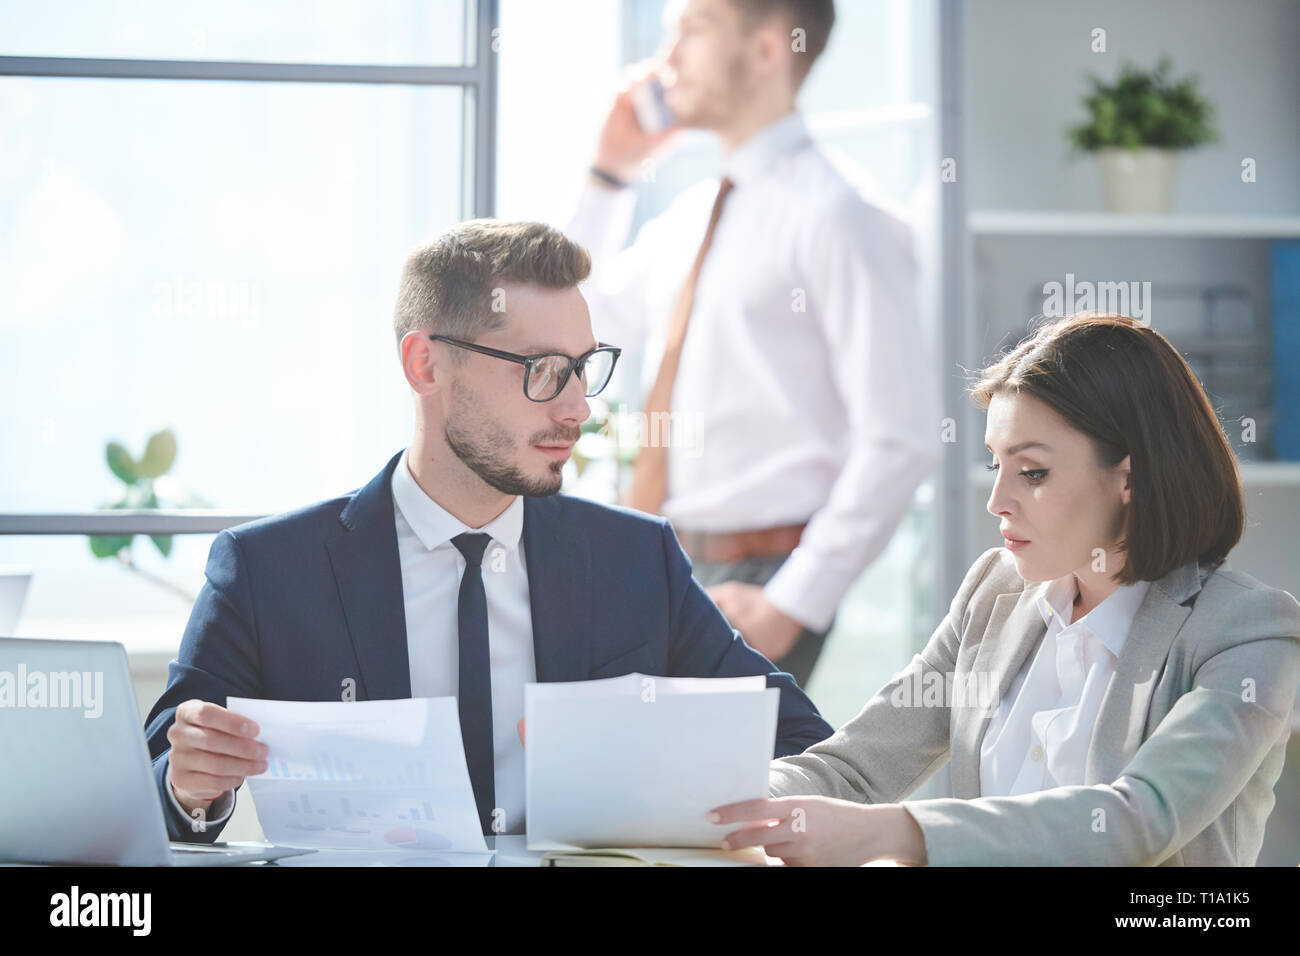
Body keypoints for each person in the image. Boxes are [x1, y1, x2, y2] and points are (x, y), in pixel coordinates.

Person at [143, 220, 834, 842]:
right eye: (542, 371)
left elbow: (803, 745)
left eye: (583, 369)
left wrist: (676, 781)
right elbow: (155, 782)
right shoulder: (270, 570)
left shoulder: (633, 558)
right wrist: (191, 786)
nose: (577, 409)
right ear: (426, 364)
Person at [708, 313, 1300, 865]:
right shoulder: (993, 593)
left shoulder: (1248, 631)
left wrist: (895, 833)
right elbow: (855, 769)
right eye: (996, 464)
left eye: (1032, 472)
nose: (998, 501)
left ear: (1129, 478)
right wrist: (724, 807)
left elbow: (1136, 820)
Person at [564, 0, 939, 688]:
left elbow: (902, 436)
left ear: (768, 50)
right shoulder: (696, 213)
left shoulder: (839, 215)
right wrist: (611, 173)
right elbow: (574, 320)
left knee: (703, 794)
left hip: (757, 579)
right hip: (669, 562)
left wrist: (790, 604)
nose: (666, 55)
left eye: (694, 29)